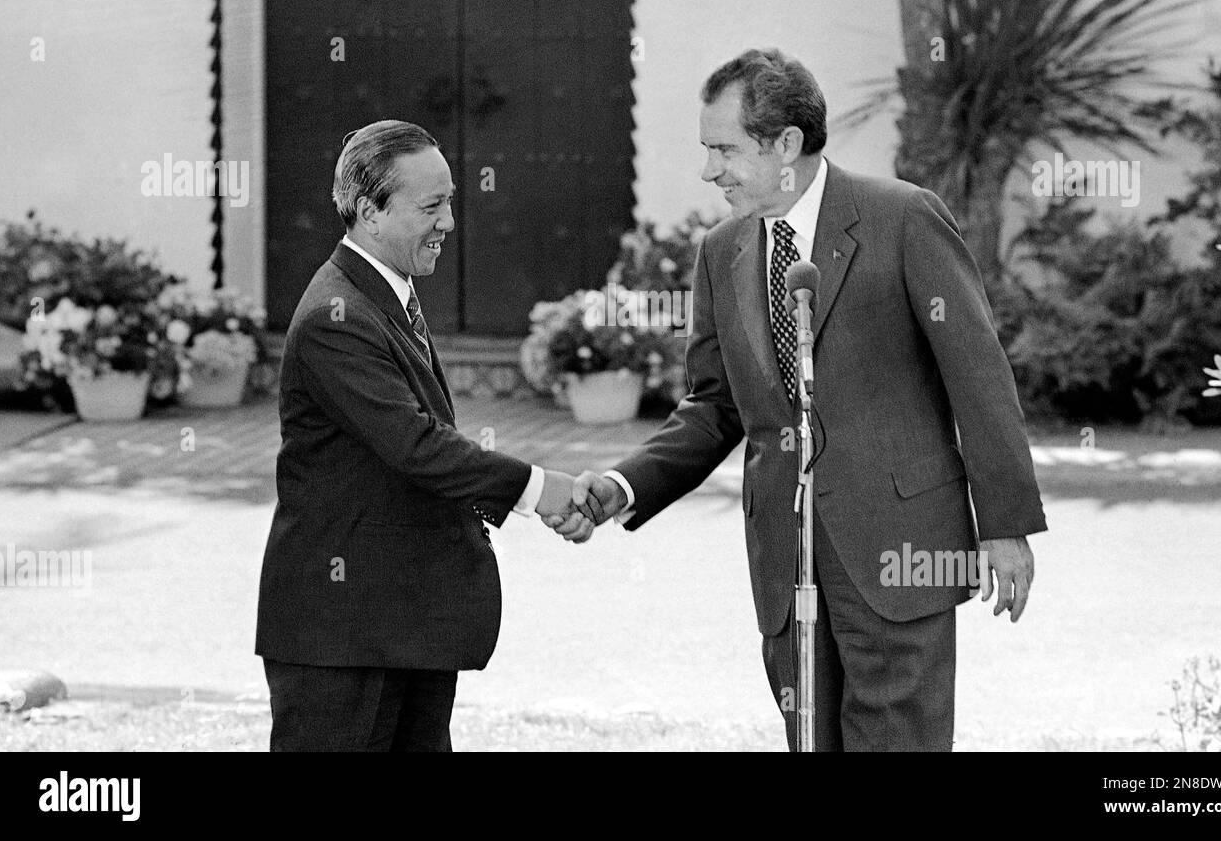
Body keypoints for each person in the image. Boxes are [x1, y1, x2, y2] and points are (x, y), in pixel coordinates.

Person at [570, 49, 1047, 751]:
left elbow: (977, 377)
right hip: (783, 563)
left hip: (900, 554)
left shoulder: (905, 218)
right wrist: (623, 484)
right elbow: (714, 407)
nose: (710, 171)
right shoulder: (722, 251)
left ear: (785, 144)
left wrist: (1005, 523)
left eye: (724, 149)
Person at [255, 120, 596, 752]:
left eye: (450, 202)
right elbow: (416, 445)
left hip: (403, 623)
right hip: (345, 639)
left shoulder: (387, 295)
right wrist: (541, 489)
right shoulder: (339, 316)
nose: (449, 222)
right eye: (431, 206)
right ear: (369, 211)